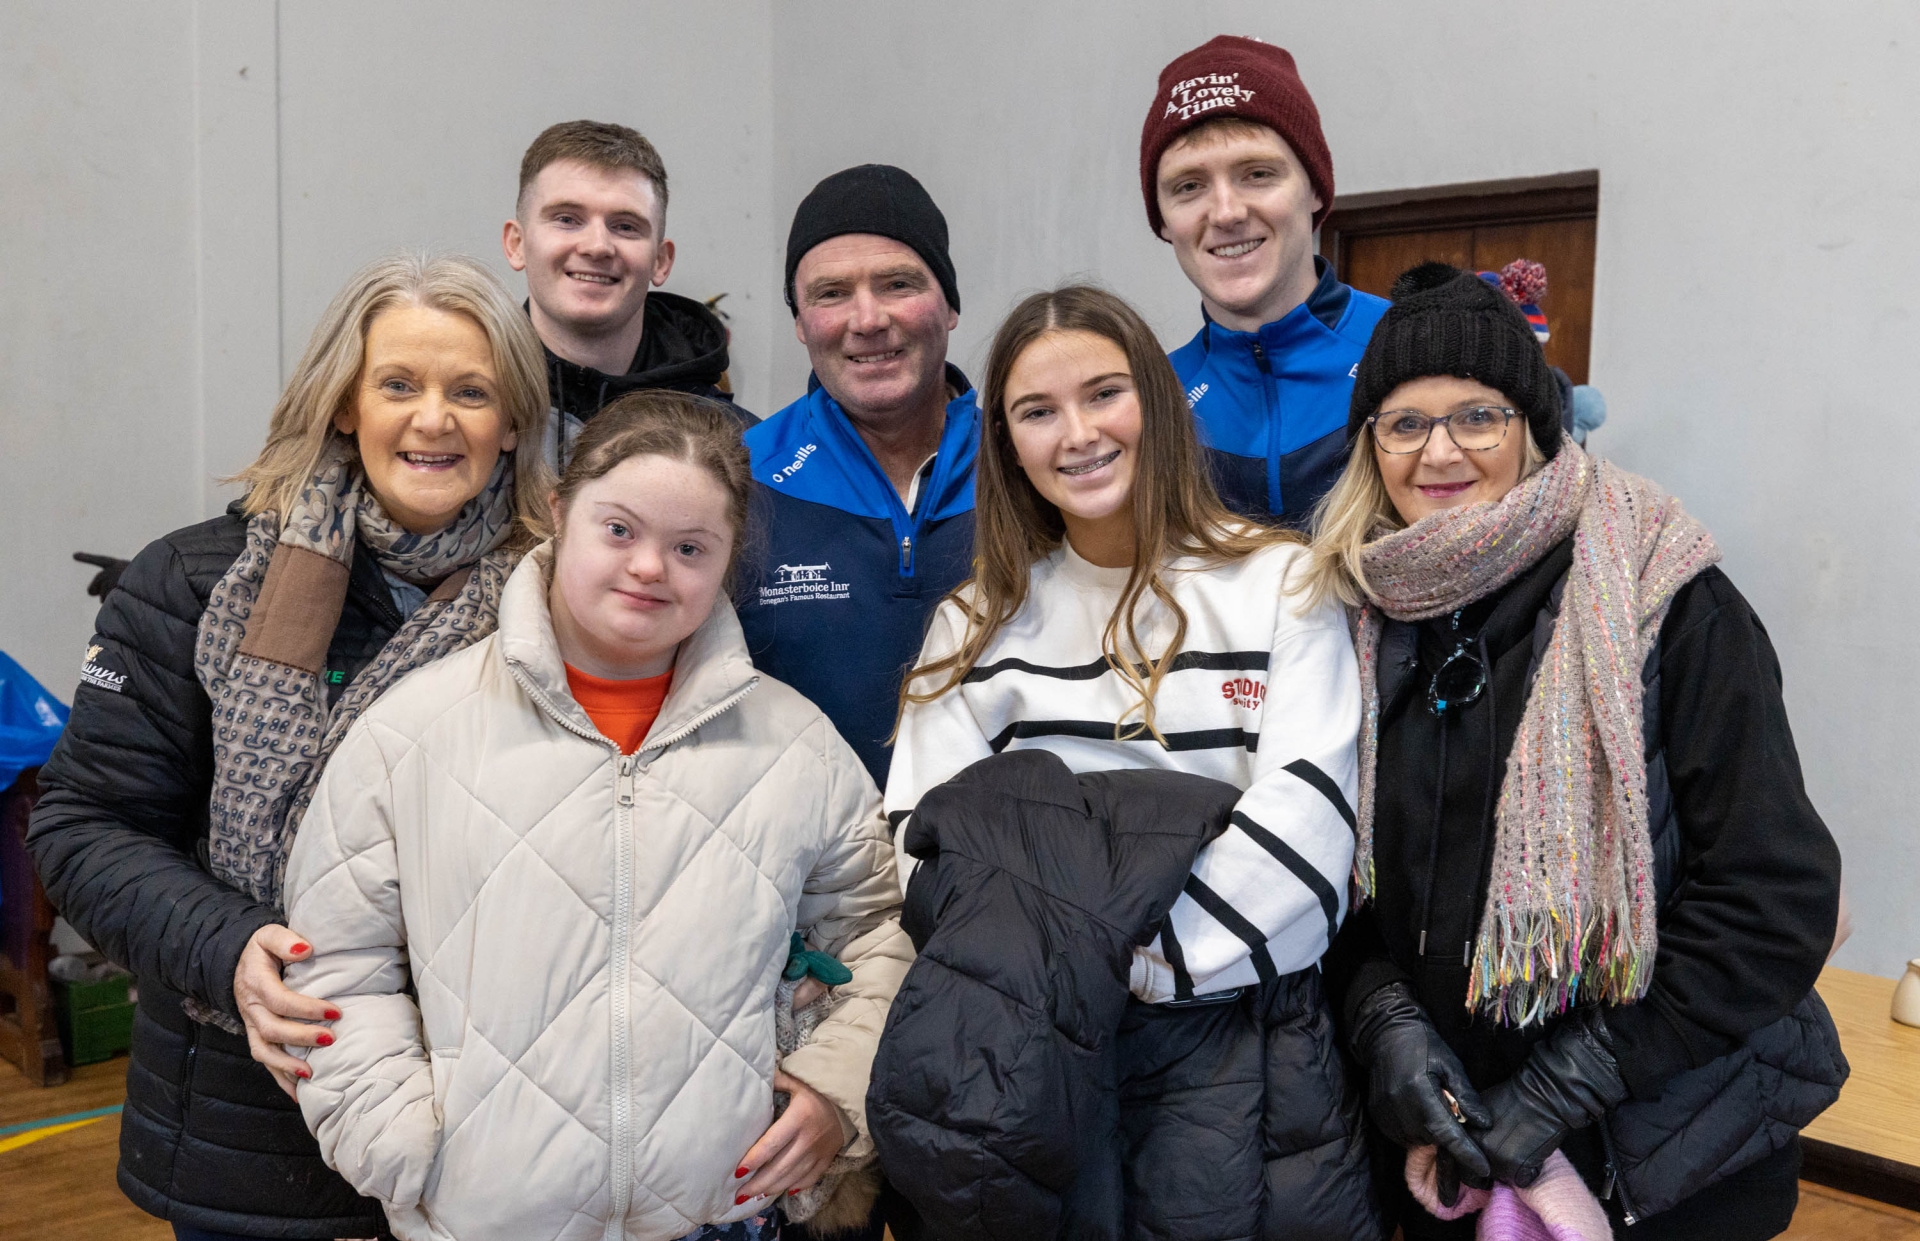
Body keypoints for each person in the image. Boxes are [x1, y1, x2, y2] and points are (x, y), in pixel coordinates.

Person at [278, 392, 911, 1241]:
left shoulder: (797, 744)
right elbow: (336, 960)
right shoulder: (411, 731)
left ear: (726, 564)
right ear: (559, 513)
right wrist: (396, 1142)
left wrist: (837, 1089)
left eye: (691, 547)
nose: (651, 566)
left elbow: (878, 932)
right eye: (620, 530)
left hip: (718, 1219)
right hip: (481, 1220)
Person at [1307, 263, 1846, 1239]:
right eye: (1405, 420)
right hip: (1455, 1158)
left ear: (1534, 425)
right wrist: (1382, 1015)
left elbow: (1774, 901)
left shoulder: (1664, 599)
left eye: (1479, 413)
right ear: (1368, 445)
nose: (1441, 449)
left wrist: (1567, 1084)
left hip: (1669, 1167)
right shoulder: (1357, 624)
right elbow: (1335, 885)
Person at [26, 252, 553, 1241]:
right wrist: (227, 948)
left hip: (486, 1122)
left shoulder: (567, 604)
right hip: (250, 1124)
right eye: (399, 383)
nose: (433, 418)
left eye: (471, 391)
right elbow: (83, 823)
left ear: (513, 421)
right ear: (346, 403)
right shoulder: (191, 580)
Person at [875, 286, 1380, 1237]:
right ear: (1008, 443)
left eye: (1104, 393)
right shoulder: (972, 627)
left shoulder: (1285, 584)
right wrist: (1085, 965)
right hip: (1033, 1072)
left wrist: (1108, 965)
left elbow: (1310, 844)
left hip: (1250, 1070)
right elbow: (923, 853)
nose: (1077, 433)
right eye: (1037, 411)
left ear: (1156, 397)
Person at [735, 165, 977, 786]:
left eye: (898, 284)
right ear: (799, 321)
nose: (867, 320)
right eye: (831, 293)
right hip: (810, 870)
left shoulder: (1031, 466)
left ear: (950, 305)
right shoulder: (738, 480)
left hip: (1004, 866)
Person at [1140, 35, 1390, 528]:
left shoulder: (1411, 347)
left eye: (1257, 174)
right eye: (1189, 186)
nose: (1227, 212)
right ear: (1164, 221)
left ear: (1316, 189)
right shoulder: (1151, 398)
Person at [504, 119, 754, 470]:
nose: (597, 246)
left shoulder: (735, 449)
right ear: (516, 245)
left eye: (625, 226)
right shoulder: (463, 418)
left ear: (661, 261)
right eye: (567, 219)